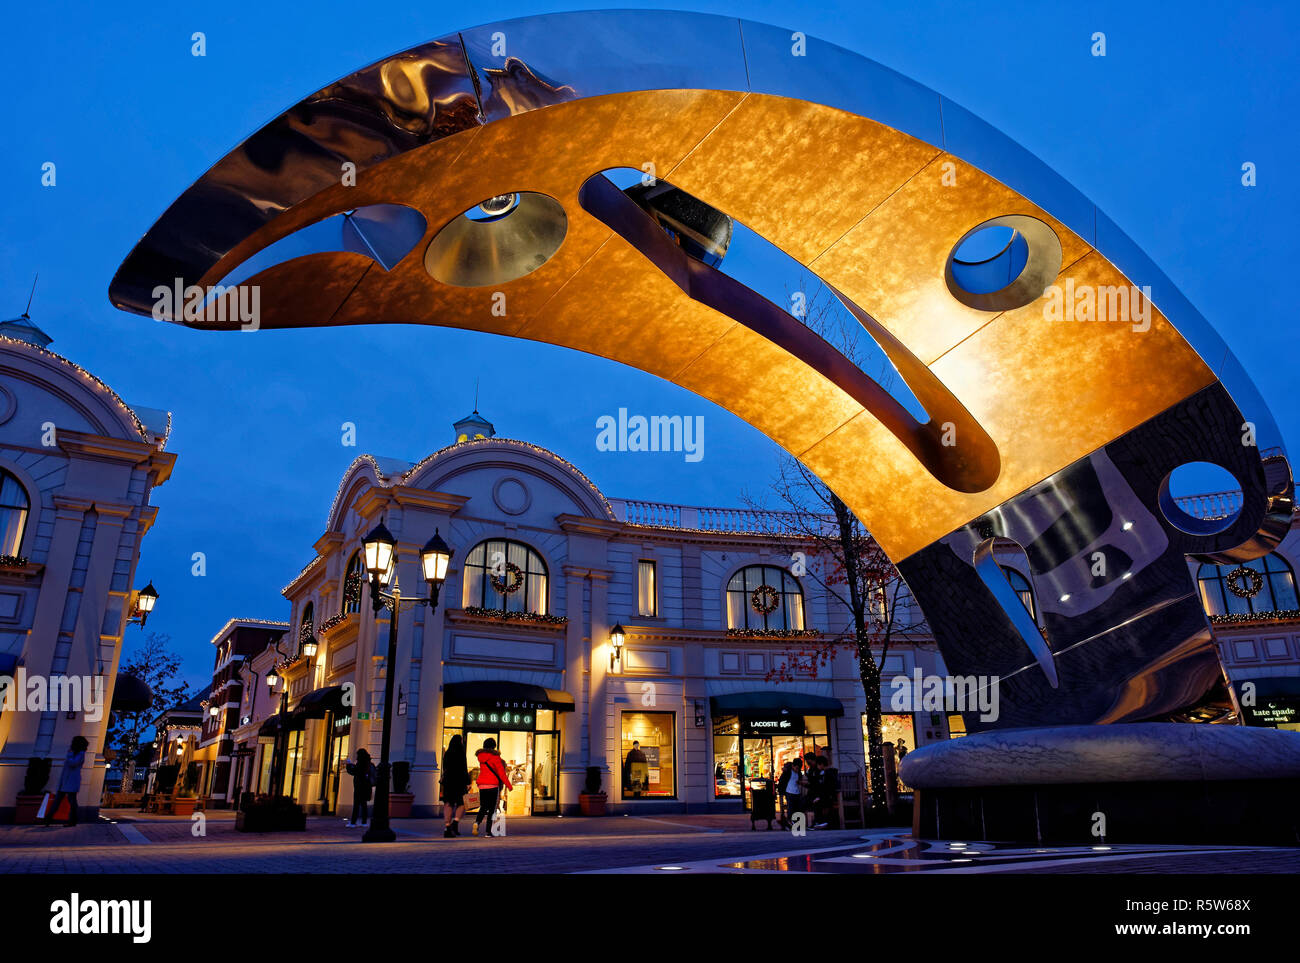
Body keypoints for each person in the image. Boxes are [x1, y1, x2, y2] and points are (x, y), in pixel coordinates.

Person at [45, 736, 89, 827]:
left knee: (71, 802)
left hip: (72, 781)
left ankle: (72, 821)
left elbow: (73, 763)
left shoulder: (80, 754)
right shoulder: (76, 753)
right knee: (59, 800)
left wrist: (69, 755)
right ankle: (48, 819)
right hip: (66, 781)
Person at [473, 738, 512, 836]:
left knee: (483, 807)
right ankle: (488, 832)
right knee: (492, 810)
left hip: (482, 785)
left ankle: (477, 823)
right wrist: (509, 786)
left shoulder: (481, 757)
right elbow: (502, 774)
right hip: (493, 785)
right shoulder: (496, 757)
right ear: (494, 746)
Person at [440, 735, 470, 838]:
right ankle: (456, 822)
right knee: (461, 803)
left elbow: (445, 768)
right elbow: (464, 768)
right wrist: (468, 782)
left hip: (449, 781)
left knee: (448, 803)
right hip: (459, 781)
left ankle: (447, 827)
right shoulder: (461, 753)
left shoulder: (447, 753)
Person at [345, 748, 376, 827]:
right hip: (366, 786)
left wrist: (349, 765)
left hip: (359, 786)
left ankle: (353, 822)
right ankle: (364, 822)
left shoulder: (361, 763)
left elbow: (355, 772)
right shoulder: (368, 763)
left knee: (356, 805)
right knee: (364, 804)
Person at [781, 757, 805, 827]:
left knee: (797, 807)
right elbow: (782, 781)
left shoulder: (799, 773)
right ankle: (789, 821)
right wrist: (782, 792)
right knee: (790, 807)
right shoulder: (788, 772)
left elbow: (799, 781)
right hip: (789, 792)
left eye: (799, 769)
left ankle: (796, 822)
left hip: (797, 792)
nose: (797, 770)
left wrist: (800, 782)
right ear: (793, 766)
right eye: (796, 768)